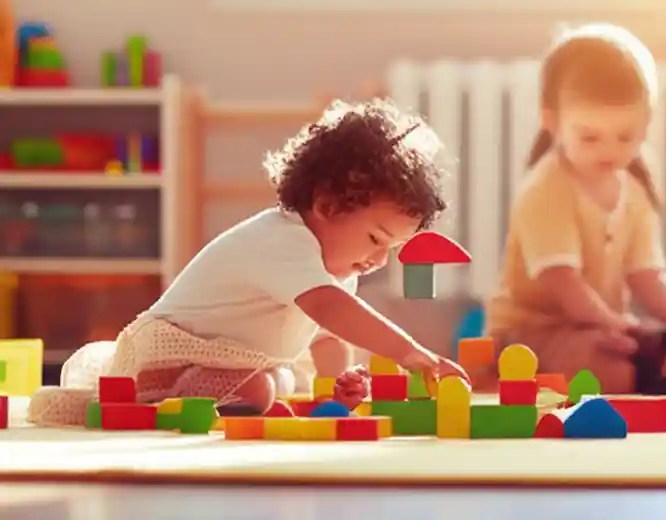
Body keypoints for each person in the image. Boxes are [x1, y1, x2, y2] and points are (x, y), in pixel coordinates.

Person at [28, 99, 468, 426]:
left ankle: (222, 399)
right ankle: (164, 399)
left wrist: (339, 388)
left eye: (389, 250)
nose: (376, 260)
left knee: (282, 382)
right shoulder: (283, 241)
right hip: (167, 355)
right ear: (328, 205)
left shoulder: (334, 272)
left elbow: (326, 338)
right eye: (375, 239)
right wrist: (412, 353)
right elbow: (332, 311)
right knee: (263, 386)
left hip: (234, 363)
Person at [485, 23, 666, 394]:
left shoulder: (634, 187)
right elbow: (562, 281)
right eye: (590, 137)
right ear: (553, 122)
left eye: (626, 136)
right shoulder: (546, 188)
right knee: (613, 371)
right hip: (530, 333)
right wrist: (617, 325)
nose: (609, 150)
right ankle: (665, 384)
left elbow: (647, 275)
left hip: (598, 324)